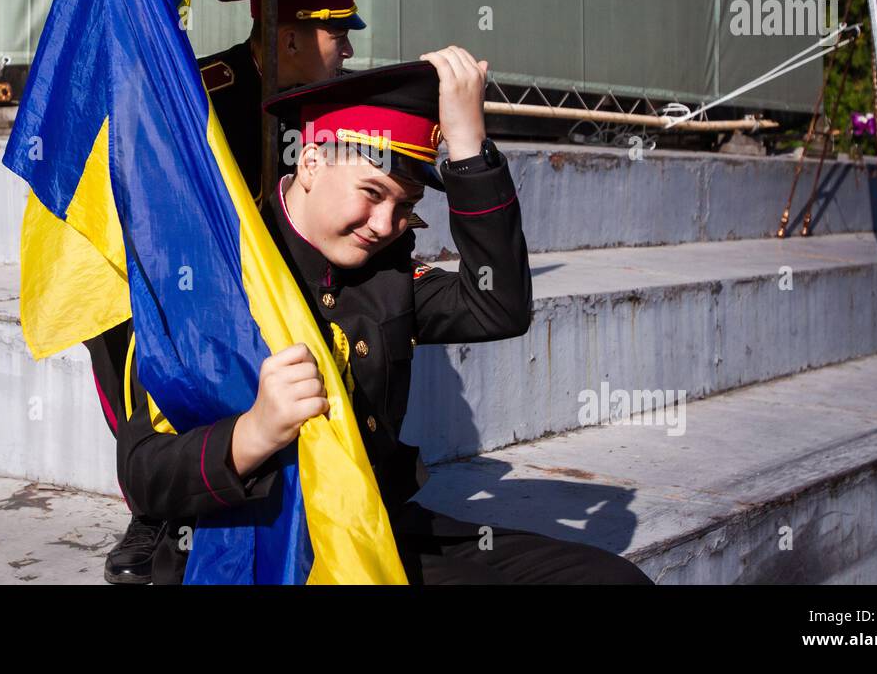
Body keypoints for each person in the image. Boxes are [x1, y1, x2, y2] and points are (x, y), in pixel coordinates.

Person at [116, 46, 654, 584]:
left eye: (405, 206)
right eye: (371, 193)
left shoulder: (385, 274)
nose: (383, 223)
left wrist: (468, 150)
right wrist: (254, 432)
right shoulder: (220, 278)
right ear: (309, 162)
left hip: (376, 534)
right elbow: (145, 475)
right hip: (259, 550)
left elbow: (498, 308)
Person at [87, 0, 373, 583]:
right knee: (119, 329)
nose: (349, 50)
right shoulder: (206, 91)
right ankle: (157, 507)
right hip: (200, 285)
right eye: (337, 36)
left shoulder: (341, 108)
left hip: (294, 282)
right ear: (289, 38)